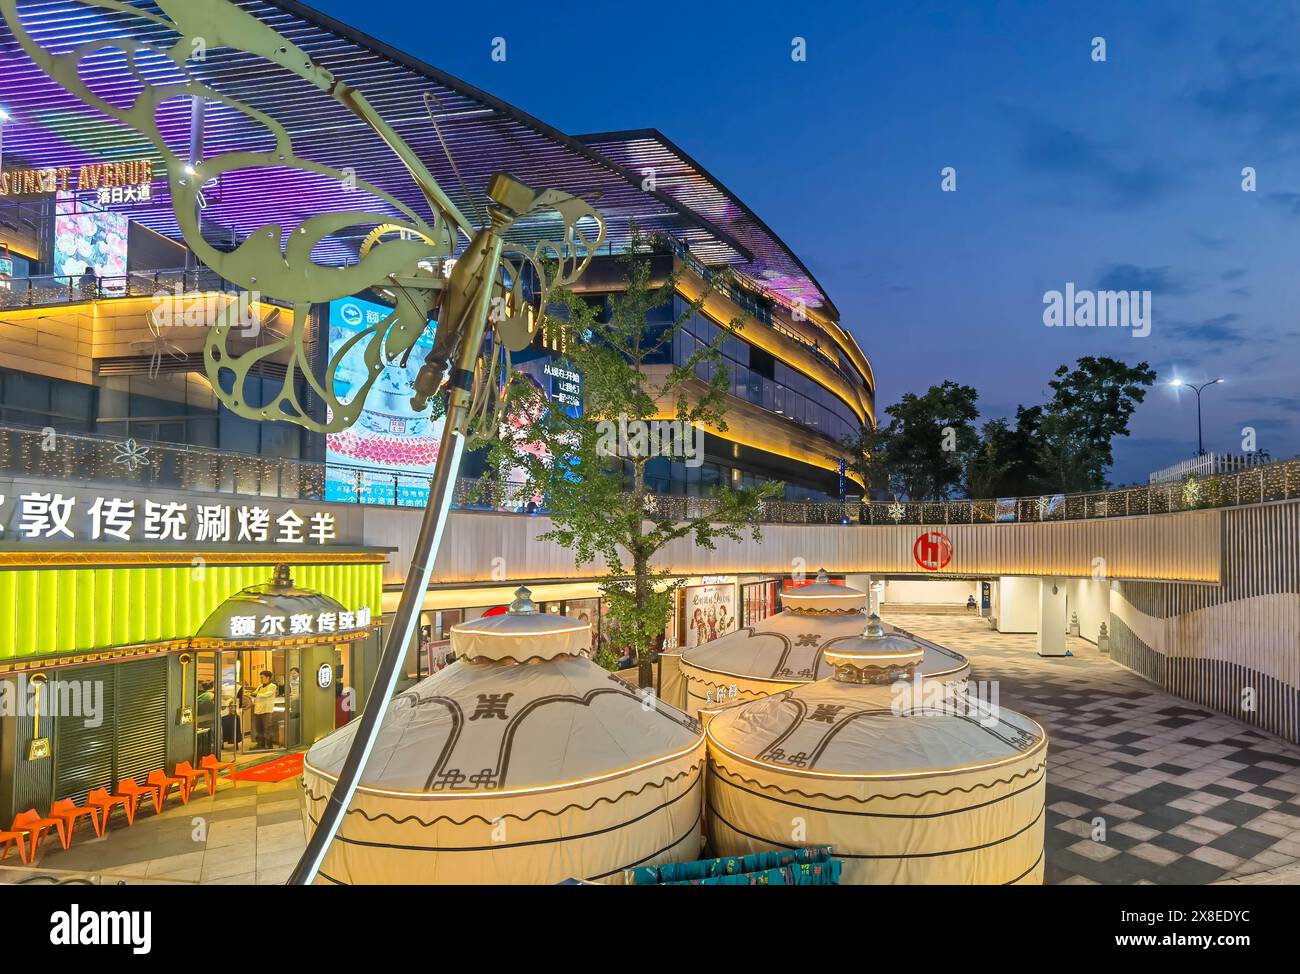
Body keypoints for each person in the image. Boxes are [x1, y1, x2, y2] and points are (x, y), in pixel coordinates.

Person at [250, 670, 277, 749]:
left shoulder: (273, 686)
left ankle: (269, 745)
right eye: (260, 677)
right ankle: (260, 744)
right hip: (258, 710)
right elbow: (254, 694)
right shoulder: (260, 686)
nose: (260, 679)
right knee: (259, 728)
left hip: (267, 710)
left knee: (267, 728)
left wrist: (255, 694)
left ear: (268, 677)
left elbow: (266, 695)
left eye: (262, 677)